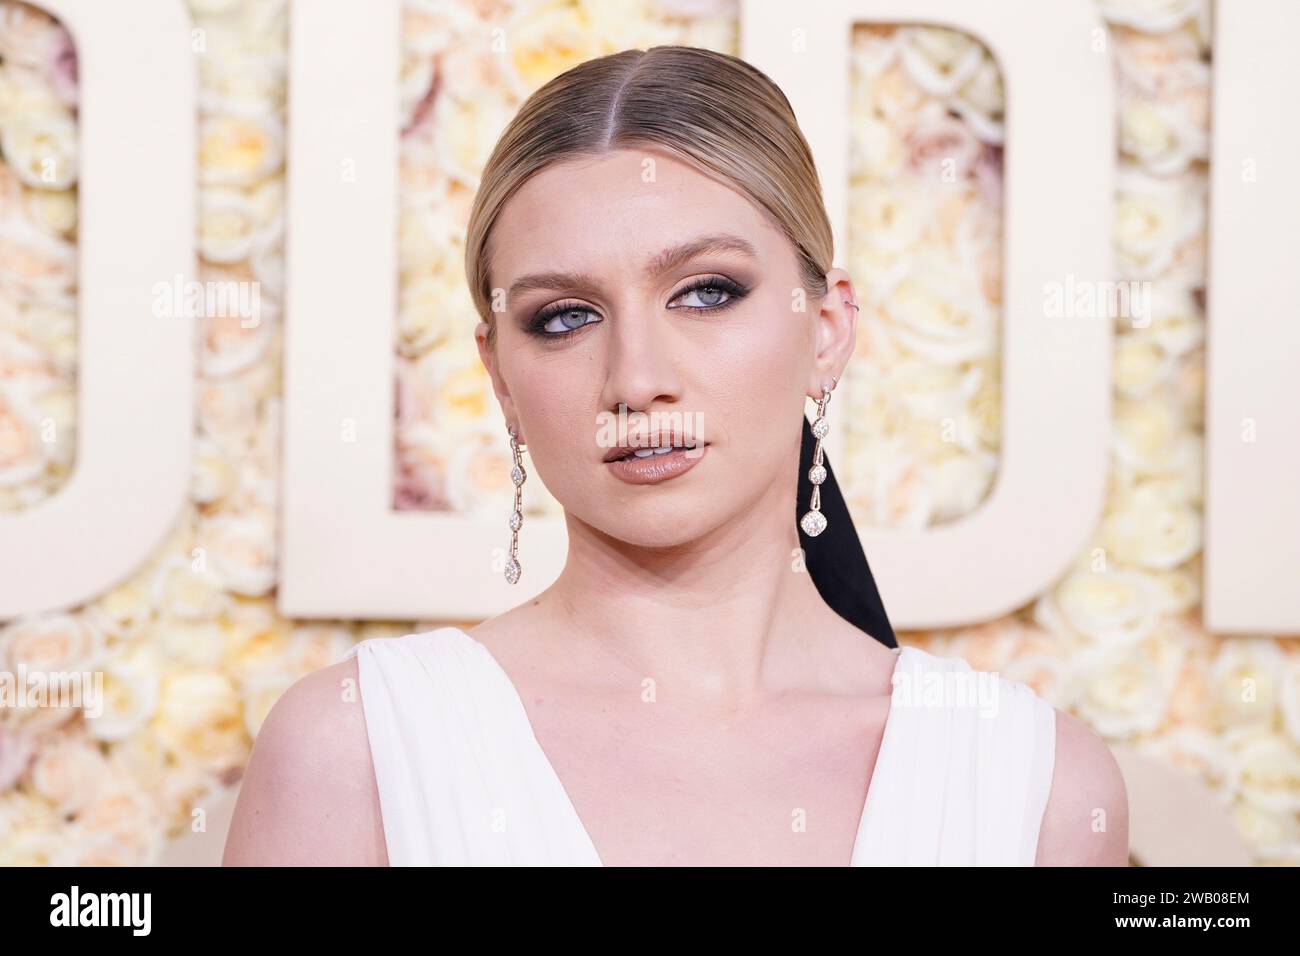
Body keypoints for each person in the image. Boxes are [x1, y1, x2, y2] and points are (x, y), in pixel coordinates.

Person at [223, 45, 1127, 867]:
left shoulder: (1037, 785)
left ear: (826, 327)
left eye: (705, 292)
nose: (638, 378)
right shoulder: (355, 751)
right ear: (499, 373)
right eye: (564, 317)